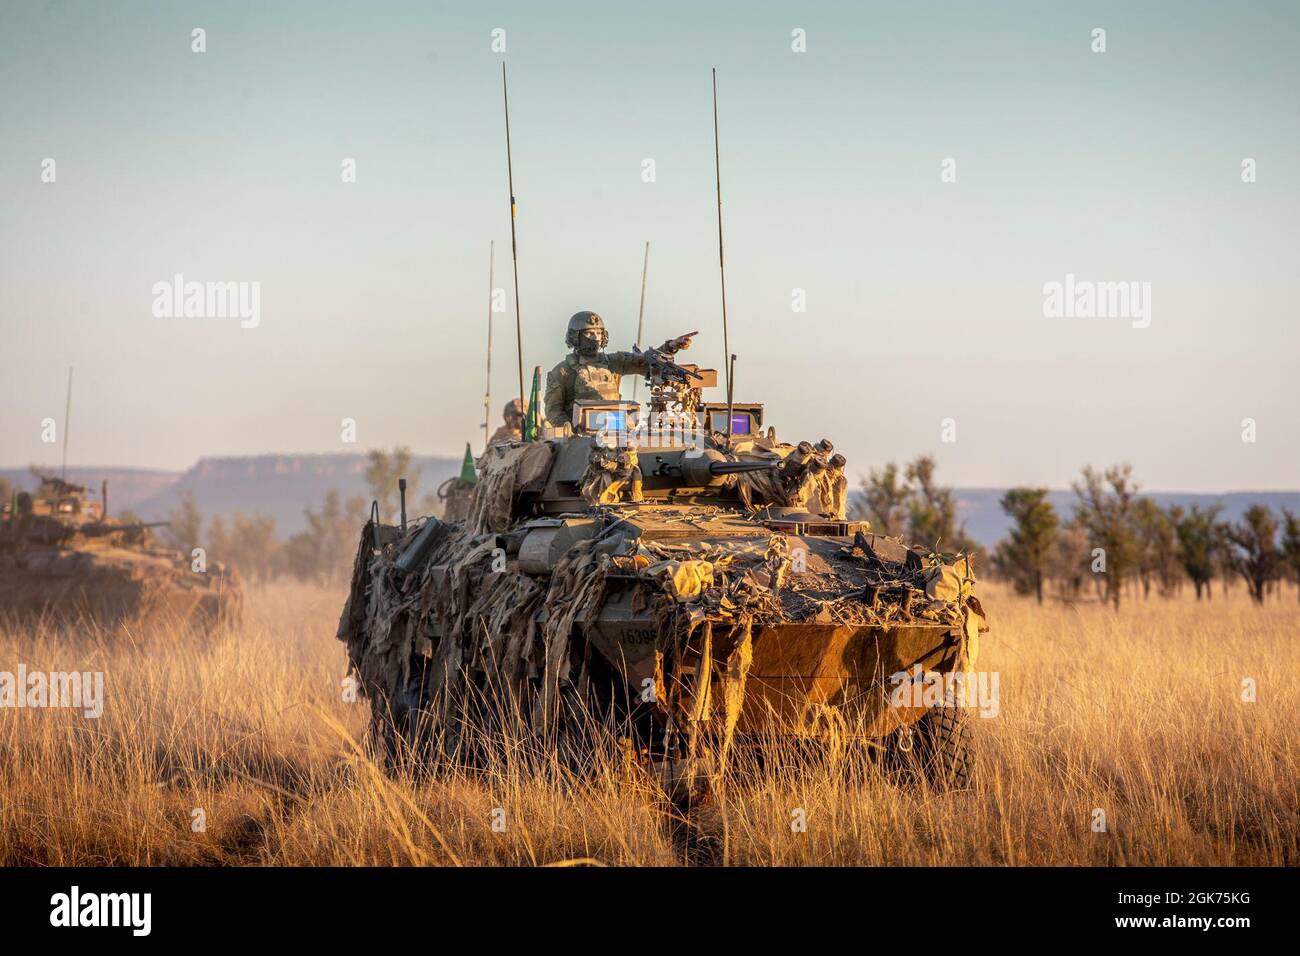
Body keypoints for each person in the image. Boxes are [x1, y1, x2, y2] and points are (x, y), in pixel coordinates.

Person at [543, 311, 695, 430]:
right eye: (589, 333)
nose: (595, 338)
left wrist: (672, 346)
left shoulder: (614, 362)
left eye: (599, 333)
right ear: (575, 337)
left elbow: (648, 362)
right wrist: (570, 431)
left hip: (616, 431)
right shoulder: (562, 371)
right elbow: (553, 411)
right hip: (580, 438)